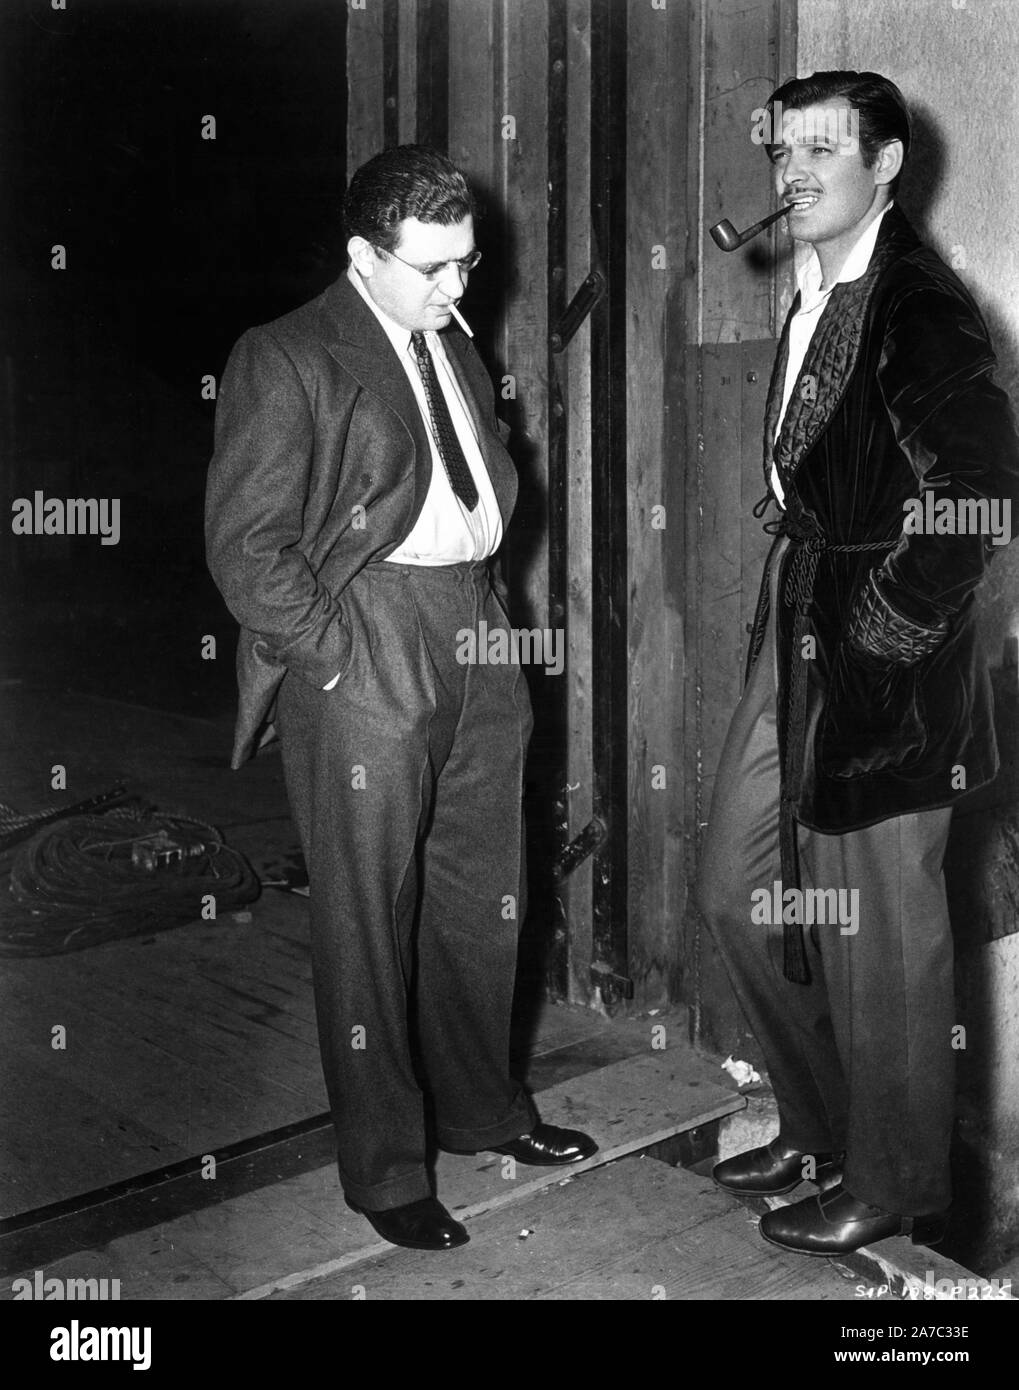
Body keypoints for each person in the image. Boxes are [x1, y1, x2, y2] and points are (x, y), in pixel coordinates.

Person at [205, 145, 595, 1253]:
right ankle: (383, 1166)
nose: (456, 289)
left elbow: (476, 485)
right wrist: (334, 657)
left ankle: (484, 1112)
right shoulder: (284, 356)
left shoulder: (452, 342)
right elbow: (247, 546)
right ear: (361, 256)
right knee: (367, 918)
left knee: (484, 896)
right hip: (364, 636)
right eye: (430, 269)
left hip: (474, 624)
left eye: (466, 266)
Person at [697, 72, 1019, 1255]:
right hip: (801, 621)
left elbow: (975, 496)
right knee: (738, 891)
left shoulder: (918, 306)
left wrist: (880, 638)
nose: (790, 171)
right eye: (781, 149)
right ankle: (819, 1124)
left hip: (885, 651)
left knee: (880, 929)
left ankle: (885, 1178)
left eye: (821, 150)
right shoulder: (817, 290)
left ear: (883, 166)